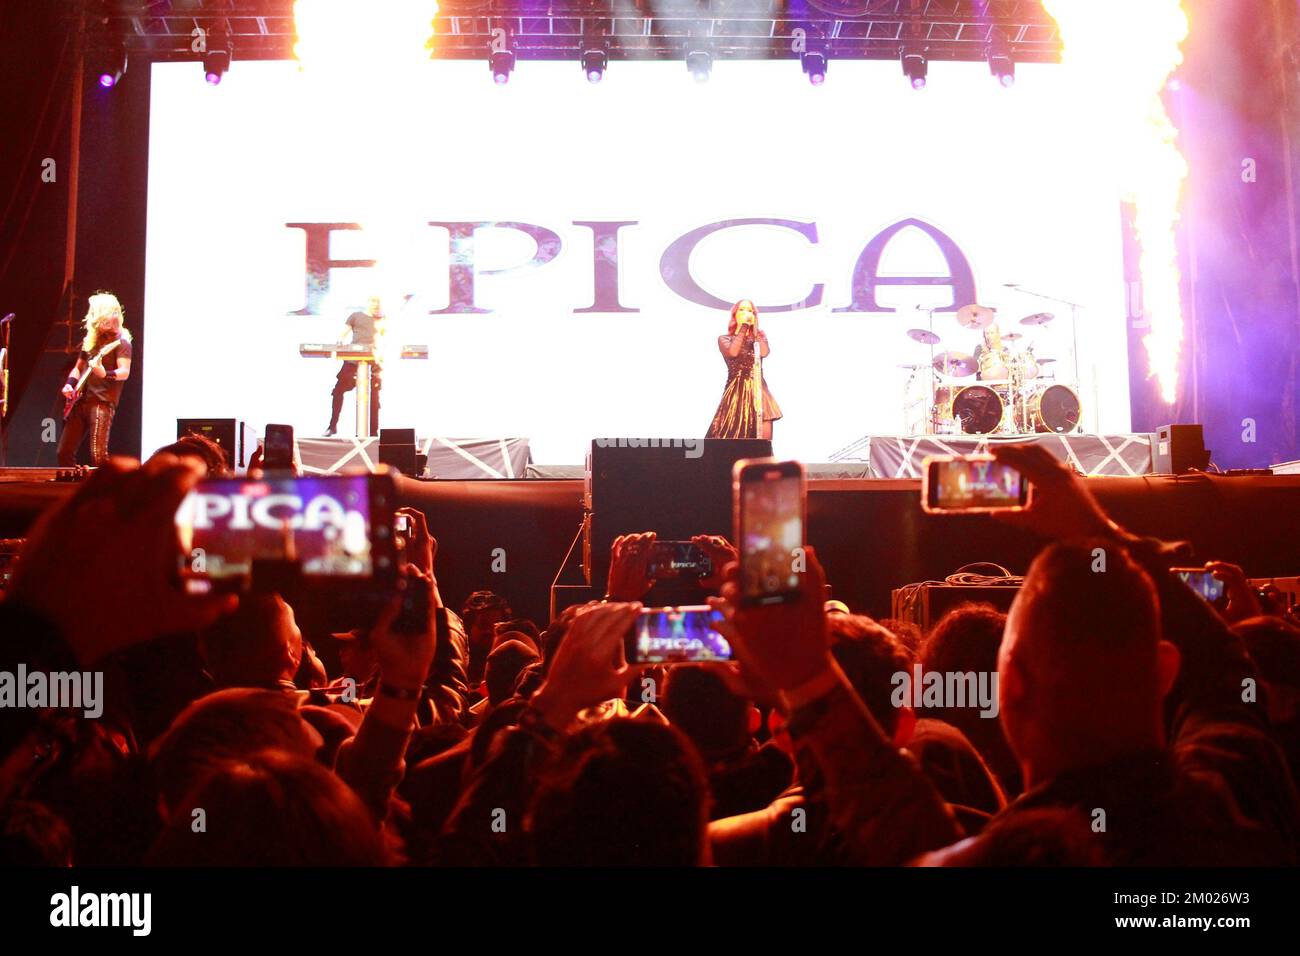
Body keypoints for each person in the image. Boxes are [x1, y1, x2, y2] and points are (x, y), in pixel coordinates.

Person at [57, 292, 133, 466]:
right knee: (64, 452)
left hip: (102, 402)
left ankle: (107, 489)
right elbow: (78, 367)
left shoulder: (122, 343)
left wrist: (105, 373)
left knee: (98, 455)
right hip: (80, 401)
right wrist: (69, 385)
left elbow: (124, 371)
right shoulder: (90, 341)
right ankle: (73, 489)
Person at [706, 299, 782, 441]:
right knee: (731, 436)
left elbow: (764, 353)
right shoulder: (724, 339)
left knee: (763, 440)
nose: (746, 313)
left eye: (750, 310)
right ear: (735, 315)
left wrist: (755, 331)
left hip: (759, 390)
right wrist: (744, 327)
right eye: (742, 310)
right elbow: (733, 352)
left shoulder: (758, 339)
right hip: (737, 391)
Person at [325, 295, 385, 437]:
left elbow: (387, 338)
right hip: (352, 362)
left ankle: (373, 431)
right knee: (338, 391)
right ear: (367, 302)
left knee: (374, 397)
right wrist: (339, 340)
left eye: (378, 302)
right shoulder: (356, 316)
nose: (376, 304)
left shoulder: (383, 320)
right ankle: (332, 426)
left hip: (374, 363)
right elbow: (343, 333)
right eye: (373, 301)